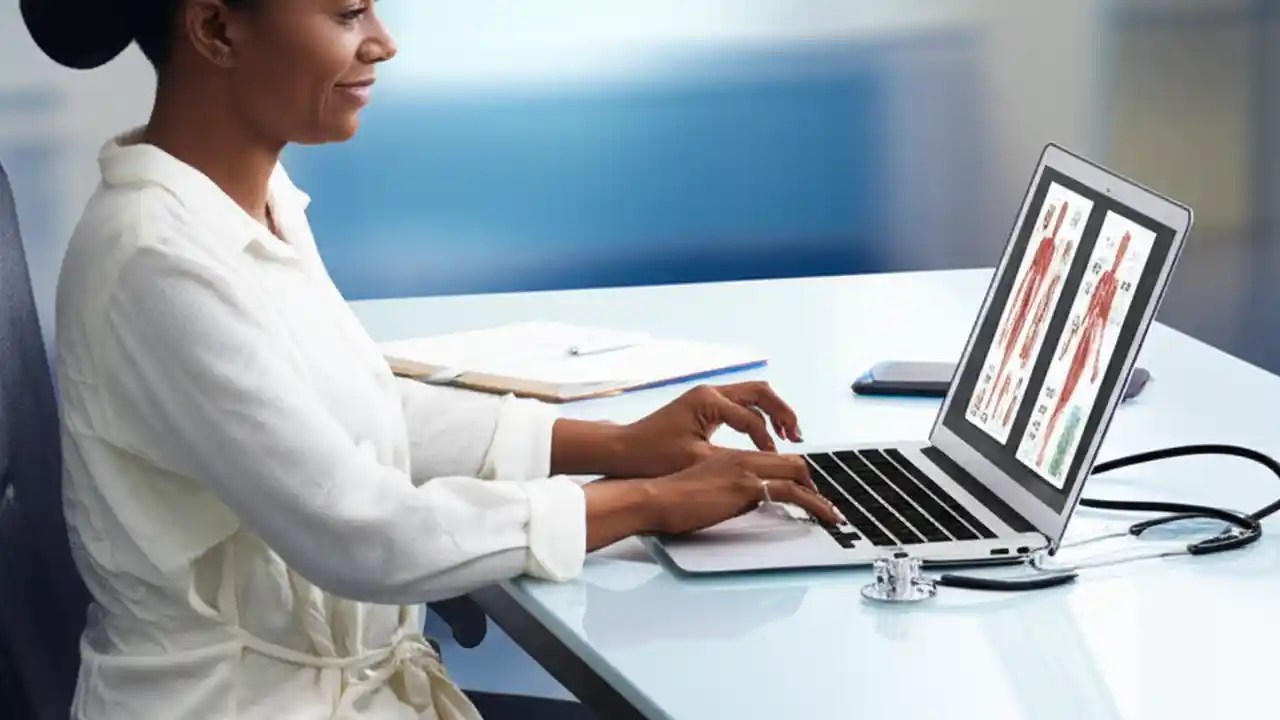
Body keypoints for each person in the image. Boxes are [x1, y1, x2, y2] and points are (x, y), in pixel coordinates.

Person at [20, 1, 842, 718]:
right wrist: (651, 502)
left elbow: (359, 407)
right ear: (215, 29)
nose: (383, 42)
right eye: (347, 15)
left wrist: (617, 445)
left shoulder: (247, 208)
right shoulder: (153, 261)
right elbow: (362, 532)